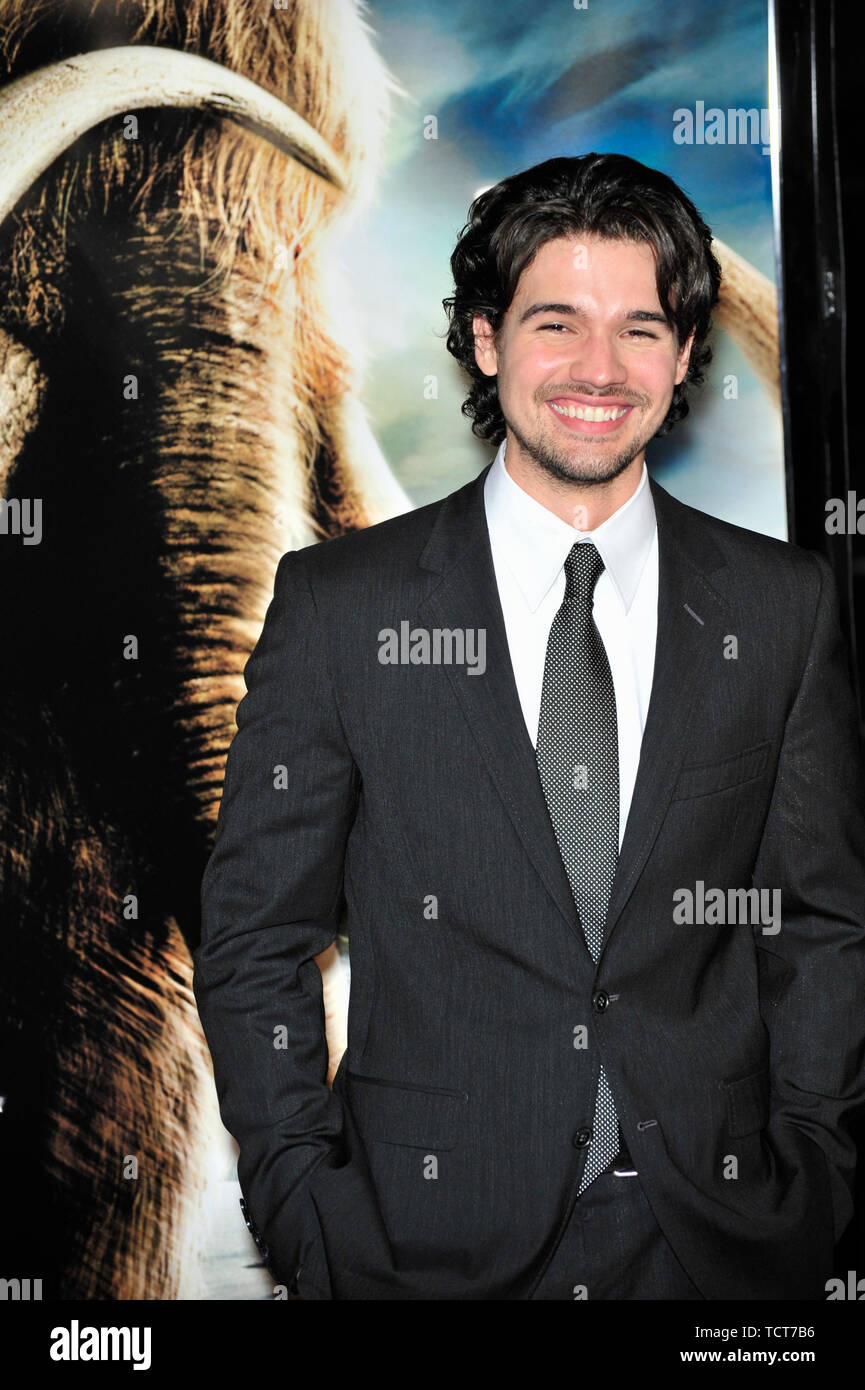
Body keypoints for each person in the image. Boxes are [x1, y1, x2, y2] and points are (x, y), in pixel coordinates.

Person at [193, 152, 865, 1300]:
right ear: (485, 339)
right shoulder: (341, 608)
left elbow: (820, 925)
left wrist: (815, 1174)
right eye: (556, 323)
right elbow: (256, 937)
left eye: (641, 328)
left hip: (719, 1253)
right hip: (416, 1251)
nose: (598, 370)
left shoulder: (781, 605)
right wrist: (304, 1208)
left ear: (686, 353)